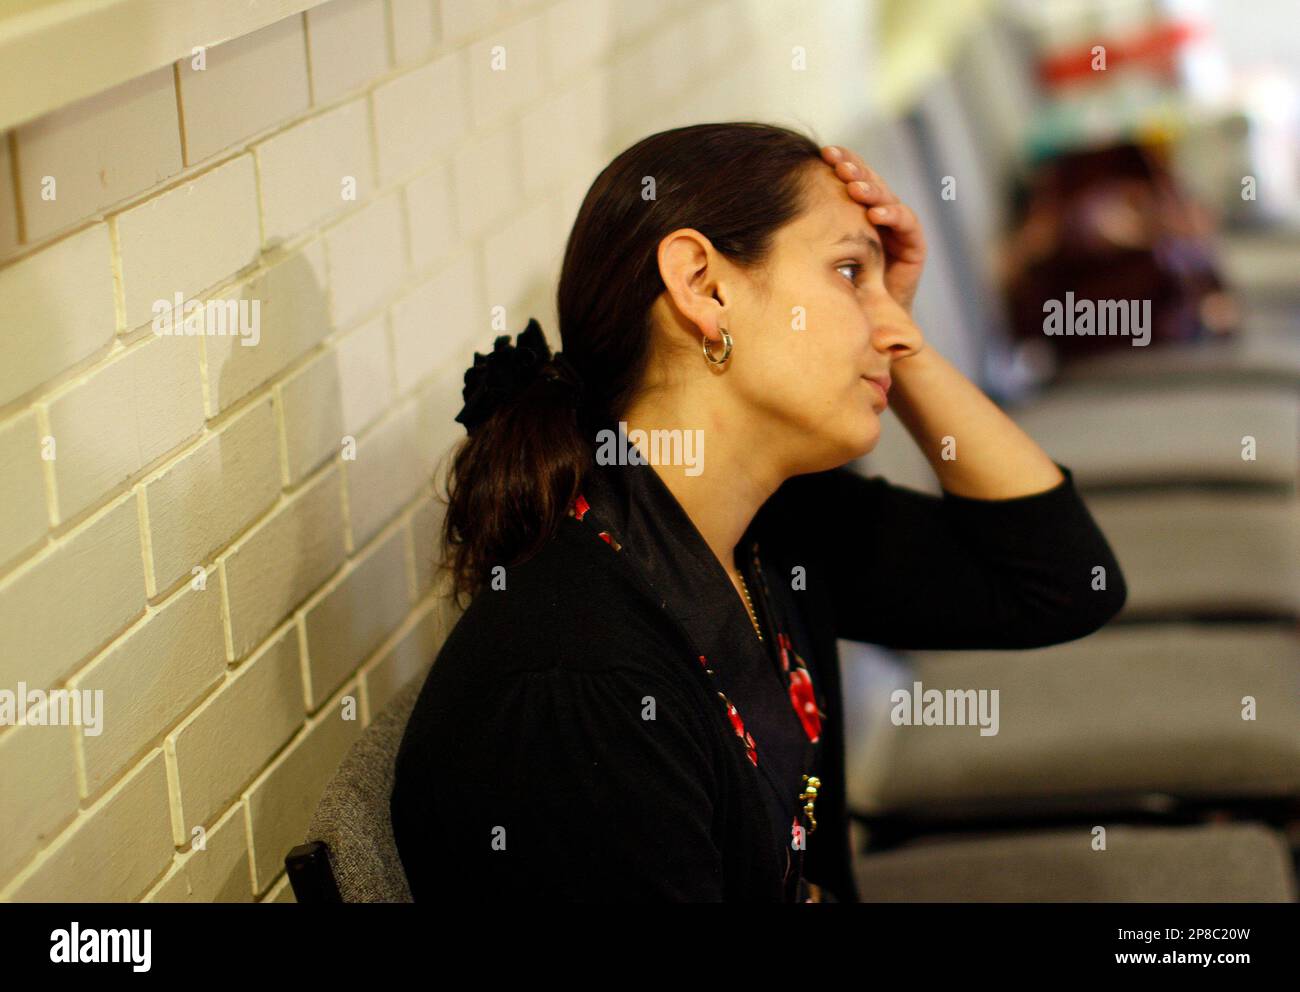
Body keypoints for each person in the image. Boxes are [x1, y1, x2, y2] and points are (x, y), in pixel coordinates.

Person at [389, 122, 1128, 903]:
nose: (900, 331)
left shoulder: (769, 524)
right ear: (704, 287)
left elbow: (1061, 582)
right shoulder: (579, 687)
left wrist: (883, 327)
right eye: (847, 269)